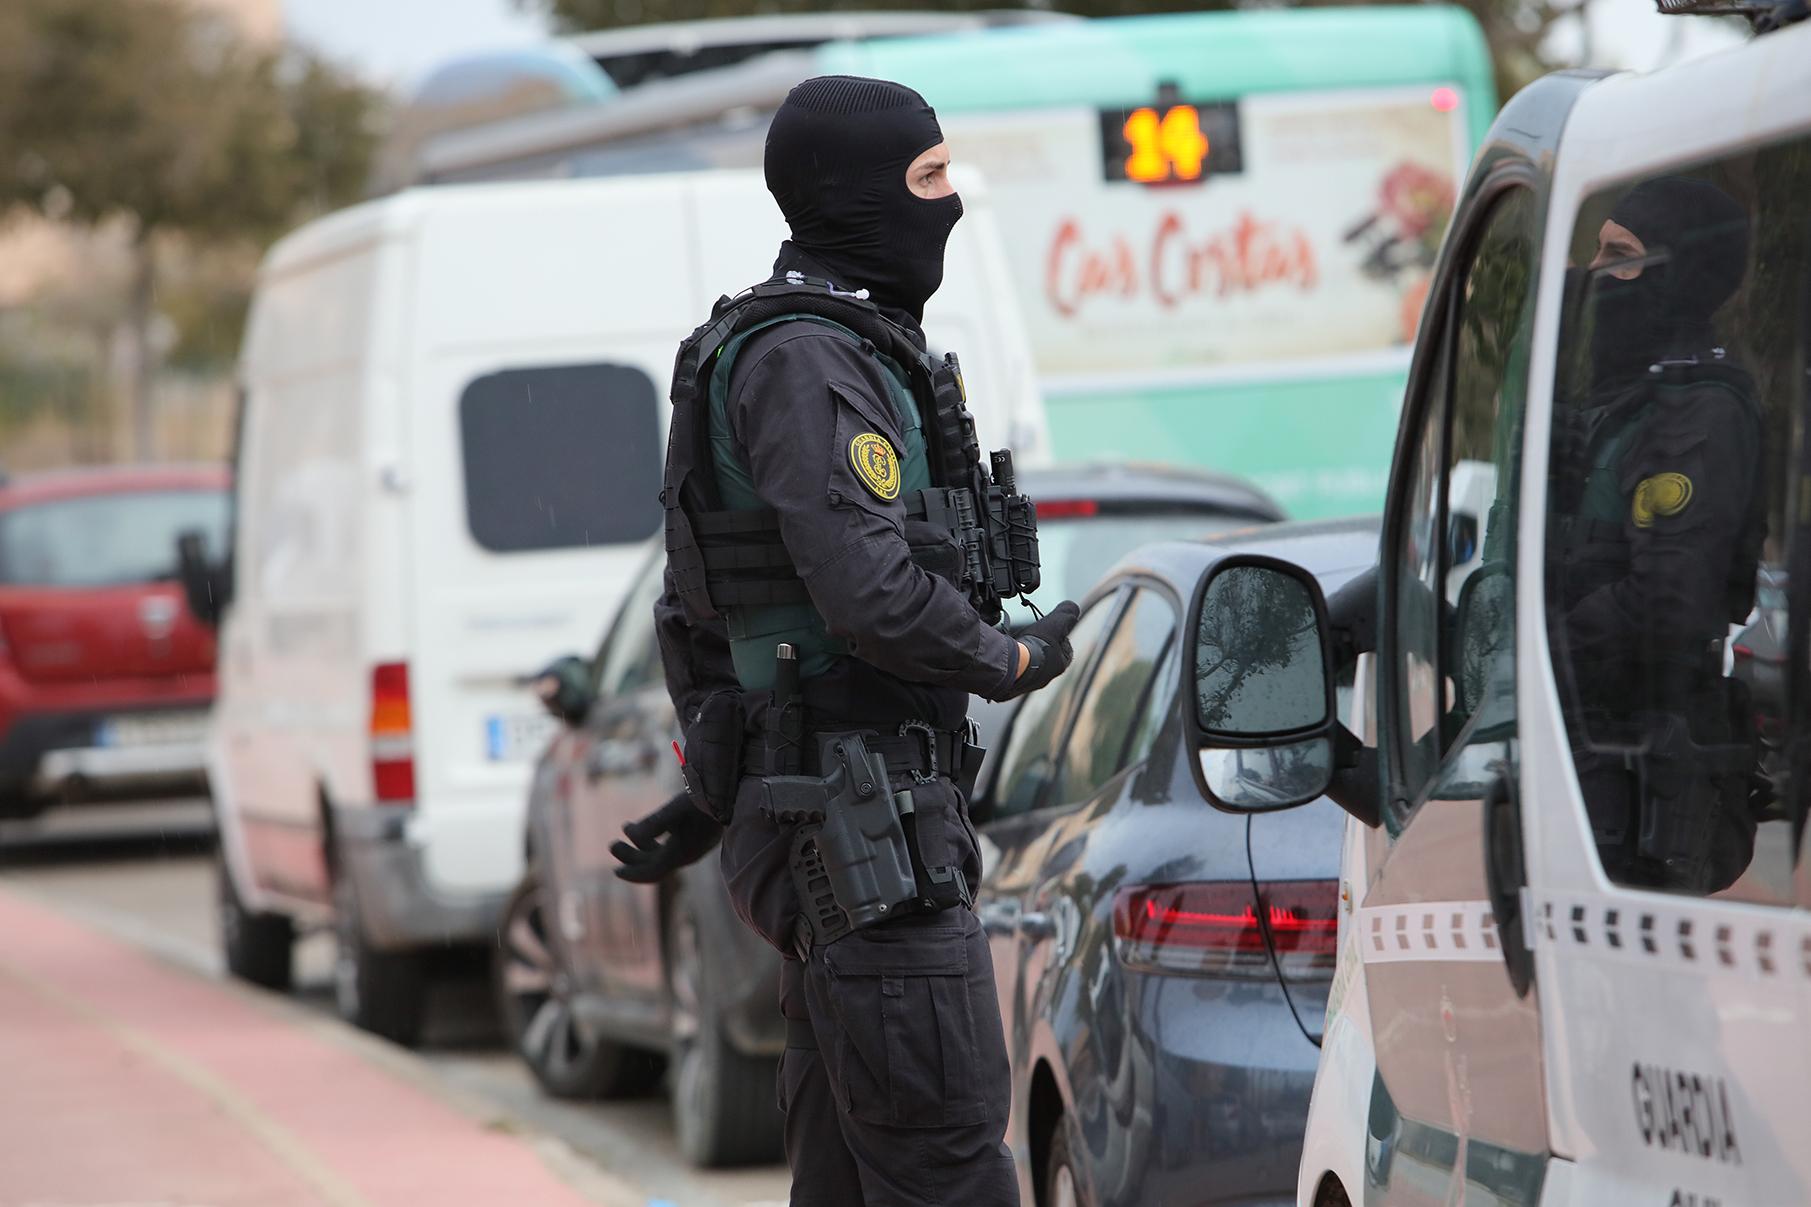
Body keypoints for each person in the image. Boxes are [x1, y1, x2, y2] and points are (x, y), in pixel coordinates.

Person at [610, 76, 1082, 1205]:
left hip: (840, 821)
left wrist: (725, 788)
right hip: (869, 842)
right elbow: (864, 592)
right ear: (856, 196)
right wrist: (1010, 659)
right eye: (927, 179)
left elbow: (711, 605)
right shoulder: (807, 359)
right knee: (947, 1169)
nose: (949, 205)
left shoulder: (811, 346)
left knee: (849, 1178)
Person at [1550, 175, 1767, 893]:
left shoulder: (1695, 412)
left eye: (1620, 253)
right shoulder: (1622, 399)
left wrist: (1543, 646)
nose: (1594, 271)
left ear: (1678, 275)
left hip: (1635, 772)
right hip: (1589, 750)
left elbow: (1667, 601)